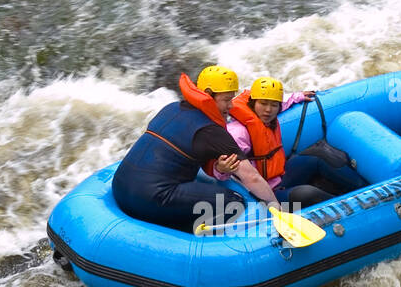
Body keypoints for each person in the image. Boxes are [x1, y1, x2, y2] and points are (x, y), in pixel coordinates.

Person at [111, 66, 281, 233]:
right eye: (226, 100)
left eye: (232, 98)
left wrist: (219, 167)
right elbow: (252, 178)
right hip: (151, 197)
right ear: (208, 94)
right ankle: (193, 239)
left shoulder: (171, 108)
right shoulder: (211, 131)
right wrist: (277, 209)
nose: (231, 106)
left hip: (120, 187)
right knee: (233, 201)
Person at [209, 77, 361, 208]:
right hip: (264, 197)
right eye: (263, 104)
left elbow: (283, 101)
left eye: (273, 105)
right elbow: (223, 168)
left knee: (317, 155)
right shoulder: (238, 133)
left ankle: (363, 190)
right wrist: (221, 169)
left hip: (279, 177)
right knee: (307, 194)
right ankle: (354, 208)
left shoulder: (267, 115)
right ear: (253, 103)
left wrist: (298, 96)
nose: (268, 110)